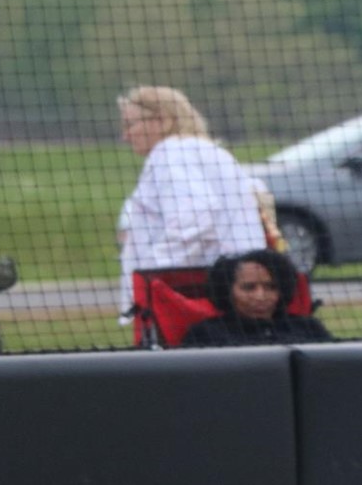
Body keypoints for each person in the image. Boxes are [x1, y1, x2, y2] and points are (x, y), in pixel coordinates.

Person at [116, 86, 268, 320]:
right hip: (231, 289)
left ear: (162, 120)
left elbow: (196, 215)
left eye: (130, 124)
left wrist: (151, 269)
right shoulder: (205, 151)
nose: (126, 135)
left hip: (197, 295)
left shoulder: (169, 153)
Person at [178, 248, 333, 348]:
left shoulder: (307, 328)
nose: (260, 296)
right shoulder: (205, 334)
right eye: (249, 287)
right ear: (227, 290)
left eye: (271, 287)